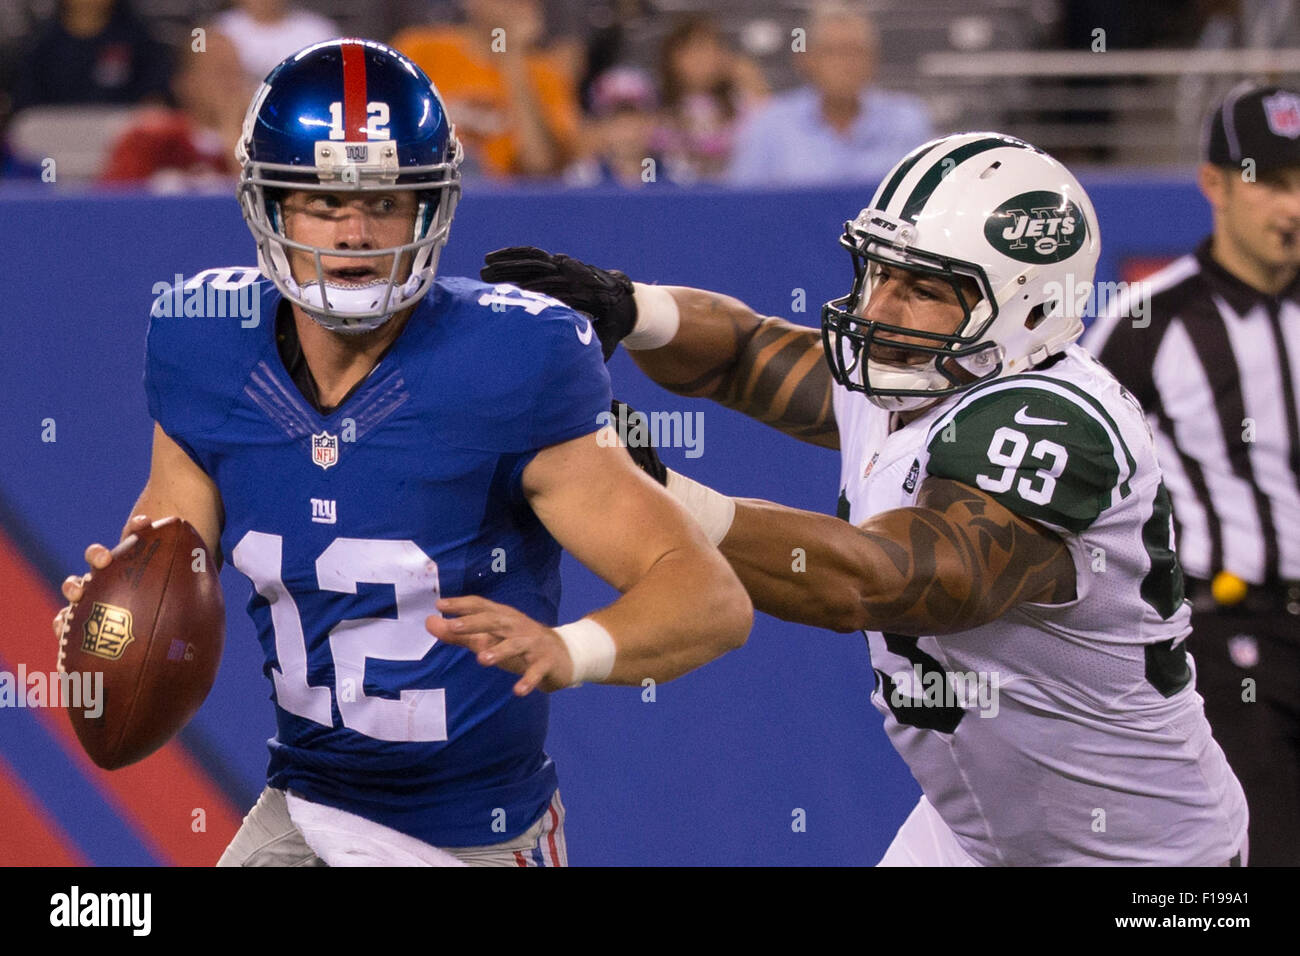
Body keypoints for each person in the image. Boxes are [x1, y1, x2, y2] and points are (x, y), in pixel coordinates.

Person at [51, 39, 751, 867]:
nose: (354, 231)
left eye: (385, 202)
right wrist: (121, 595)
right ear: (268, 206)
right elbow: (173, 536)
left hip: (473, 833)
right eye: (321, 202)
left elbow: (709, 595)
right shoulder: (201, 341)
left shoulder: (510, 362)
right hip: (305, 802)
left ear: (432, 209)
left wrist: (571, 648)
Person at [481, 131, 1249, 865]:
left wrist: (669, 496)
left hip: (1141, 852)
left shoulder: (1057, 424)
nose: (878, 309)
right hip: (970, 837)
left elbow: (887, 581)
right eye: (879, 272)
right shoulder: (923, 371)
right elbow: (743, 352)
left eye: (921, 289)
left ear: (1030, 308)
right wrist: (633, 307)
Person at [1084, 83, 1300, 866]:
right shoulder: (1147, 323)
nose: (1293, 207)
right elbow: (1084, 493)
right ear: (1214, 184)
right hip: (1229, 633)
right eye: (1272, 182)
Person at [727, 2, 931, 187]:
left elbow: (926, 199)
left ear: (873, 59)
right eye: (832, 52)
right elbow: (744, 204)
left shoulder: (906, 119)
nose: (845, 65)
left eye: (855, 52)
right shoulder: (771, 124)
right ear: (808, 59)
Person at [392, 0, 580, 179]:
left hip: (502, 203)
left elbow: (540, 167)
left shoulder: (544, 73)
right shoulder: (422, 50)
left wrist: (512, 57)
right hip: (428, 188)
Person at [99, 29, 251, 188]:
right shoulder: (149, 138)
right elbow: (113, 202)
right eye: (219, 71)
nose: (230, 82)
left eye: (236, 71)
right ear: (184, 82)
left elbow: (260, 204)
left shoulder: (260, 144)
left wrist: (232, 133)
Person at [655, 14, 767, 182]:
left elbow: (774, 134)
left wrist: (750, 79)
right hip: (671, 199)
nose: (704, 58)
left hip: (735, 198)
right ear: (672, 57)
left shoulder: (743, 103)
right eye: (694, 49)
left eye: (712, 48)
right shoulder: (652, 105)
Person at [8, 0, 172, 112]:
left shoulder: (141, 41)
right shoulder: (39, 46)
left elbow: (154, 101)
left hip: (122, 145)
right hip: (54, 146)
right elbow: (26, 110)